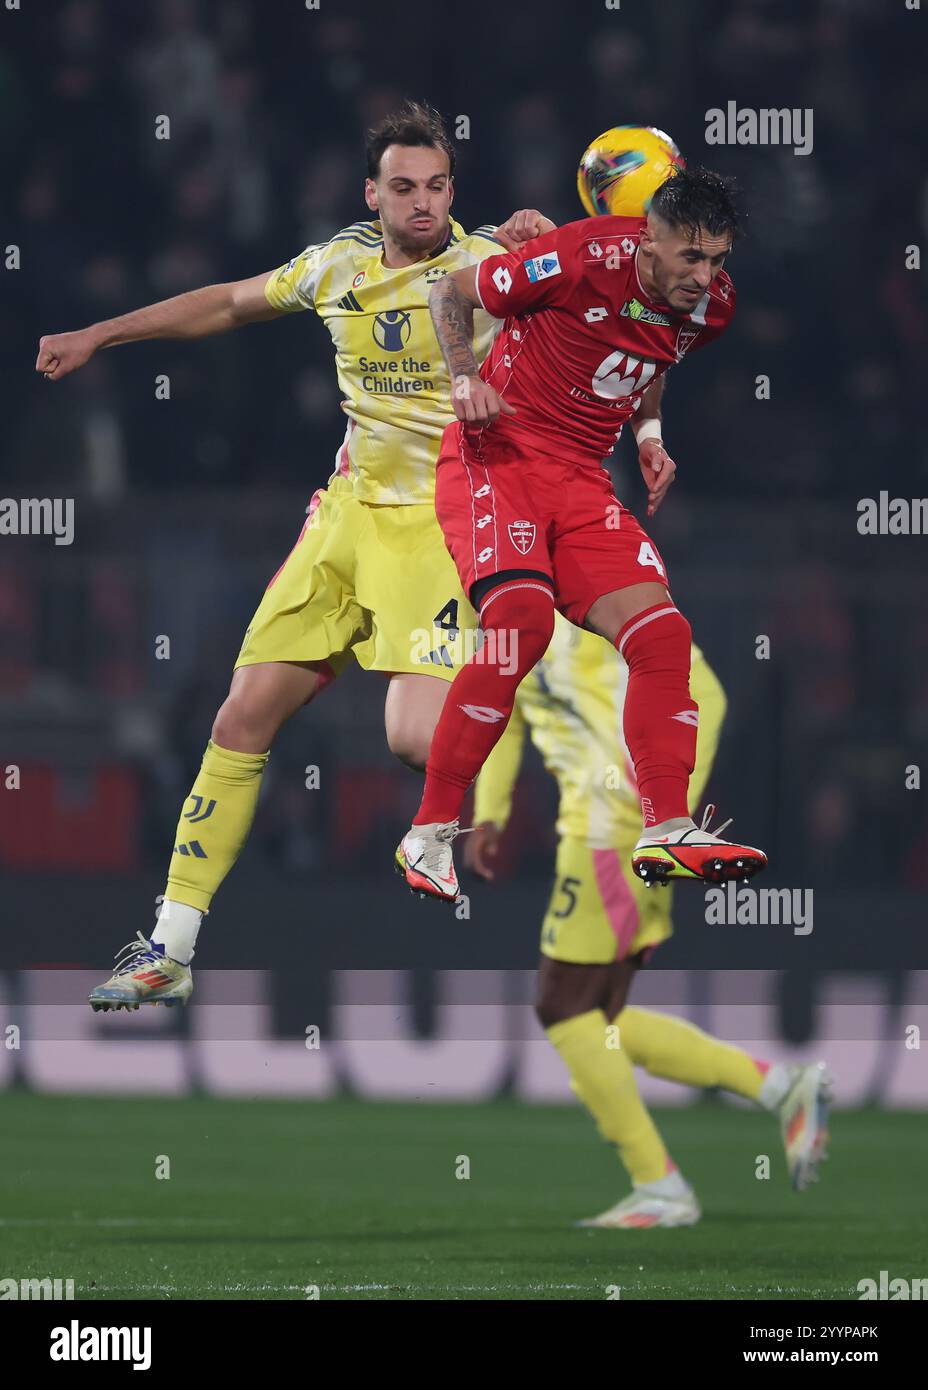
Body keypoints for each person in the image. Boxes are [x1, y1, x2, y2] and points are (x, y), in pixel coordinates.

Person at [35, 100, 552, 1011]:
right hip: (345, 518)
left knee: (409, 741)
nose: (422, 203)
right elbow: (229, 302)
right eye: (404, 187)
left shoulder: (492, 269)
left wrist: (560, 239)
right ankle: (171, 946)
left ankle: (529, 696)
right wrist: (100, 335)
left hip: (441, 525)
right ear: (373, 193)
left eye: (436, 187)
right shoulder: (336, 265)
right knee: (241, 716)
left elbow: (610, 297)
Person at [396, 167, 767, 903]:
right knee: (521, 623)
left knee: (662, 635)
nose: (705, 276)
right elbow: (451, 291)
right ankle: (430, 832)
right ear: (648, 238)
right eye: (690, 257)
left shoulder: (711, 307)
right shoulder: (581, 256)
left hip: (581, 479)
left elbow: (652, 354)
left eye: (718, 259)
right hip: (497, 452)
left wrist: (650, 431)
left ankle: (665, 826)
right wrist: (465, 375)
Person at [465, 615, 830, 1226]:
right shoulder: (504, 609)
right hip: (593, 830)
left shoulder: (591, 605)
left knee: (563, 1008)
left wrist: (669, 808)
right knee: (597, 1020)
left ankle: (660, 1186)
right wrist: (491, 811)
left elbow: (705, 692)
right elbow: (502, 712)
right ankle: (779, 1087)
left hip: (615, 833)